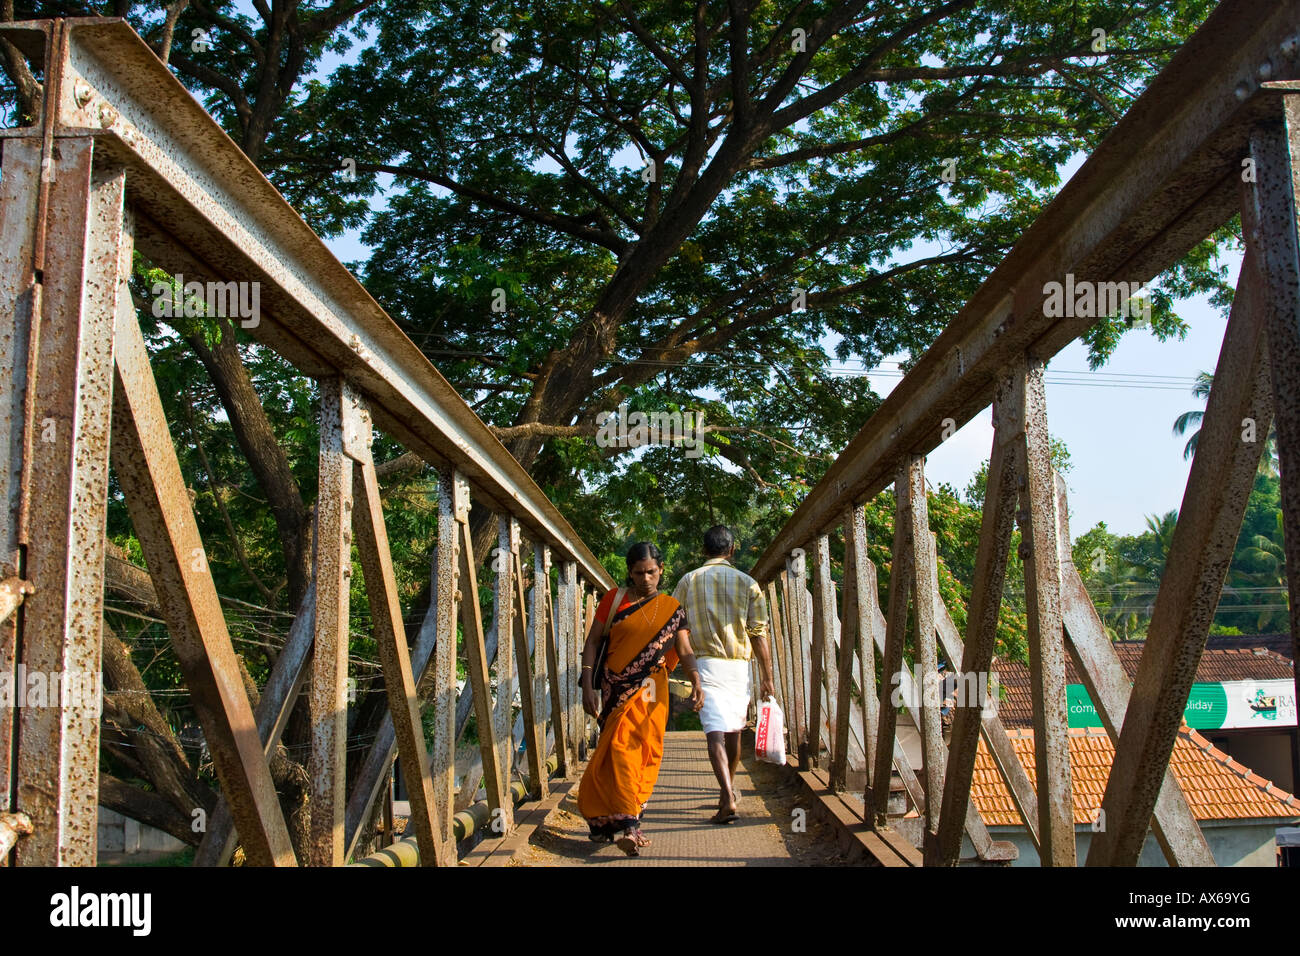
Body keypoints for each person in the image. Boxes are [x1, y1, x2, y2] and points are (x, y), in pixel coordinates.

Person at [577, 542, 704, 856]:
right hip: (615, 690)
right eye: (638, 573)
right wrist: (587, 684)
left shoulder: (672, 608)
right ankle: (629, 824)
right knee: (619, 749)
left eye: (651, 572)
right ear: (630, 573)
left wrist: (696, 679)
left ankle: (615, 819)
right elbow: (592, 641)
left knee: (646, 751)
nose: (646, 578)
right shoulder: (613, 600)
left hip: (652, 691)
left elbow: (684, 648)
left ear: (661, 570)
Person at [672, 525, 775, 824]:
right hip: (738, 666)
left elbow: (677, 625)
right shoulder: (749, 584)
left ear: (703, 550)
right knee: (733, 730)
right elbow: (758, 632)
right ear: (732, 550)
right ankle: (727, 793)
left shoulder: (688, 581)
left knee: (713, 730)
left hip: (704, 663)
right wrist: (767, 676)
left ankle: (726, 795)